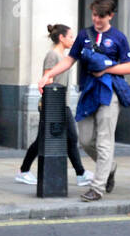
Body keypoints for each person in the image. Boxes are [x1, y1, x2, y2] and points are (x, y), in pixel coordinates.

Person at [38, 0, 130, 201]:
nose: (97, 20)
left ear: (110, 15)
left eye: (101, 16)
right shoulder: (84, 35)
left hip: (109, 92)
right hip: (89, 90)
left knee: (104, 142)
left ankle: (97, 188)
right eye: (94, 15)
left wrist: (105, 68)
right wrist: (48, 75)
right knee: (84, 140)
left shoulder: (118, 37)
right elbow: (69, 59)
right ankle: (110, 167)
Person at [16, 24, 90, 186]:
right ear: (61, 38)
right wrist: (49, 103)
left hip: (61, 104)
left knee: (63, 138)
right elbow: (47, 80)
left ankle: (80, 173)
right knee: (64, 137)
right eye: (70, 36)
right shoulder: (52, 55)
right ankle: (80, 173)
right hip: (54, 105)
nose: (73, 39)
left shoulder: (64, 56)